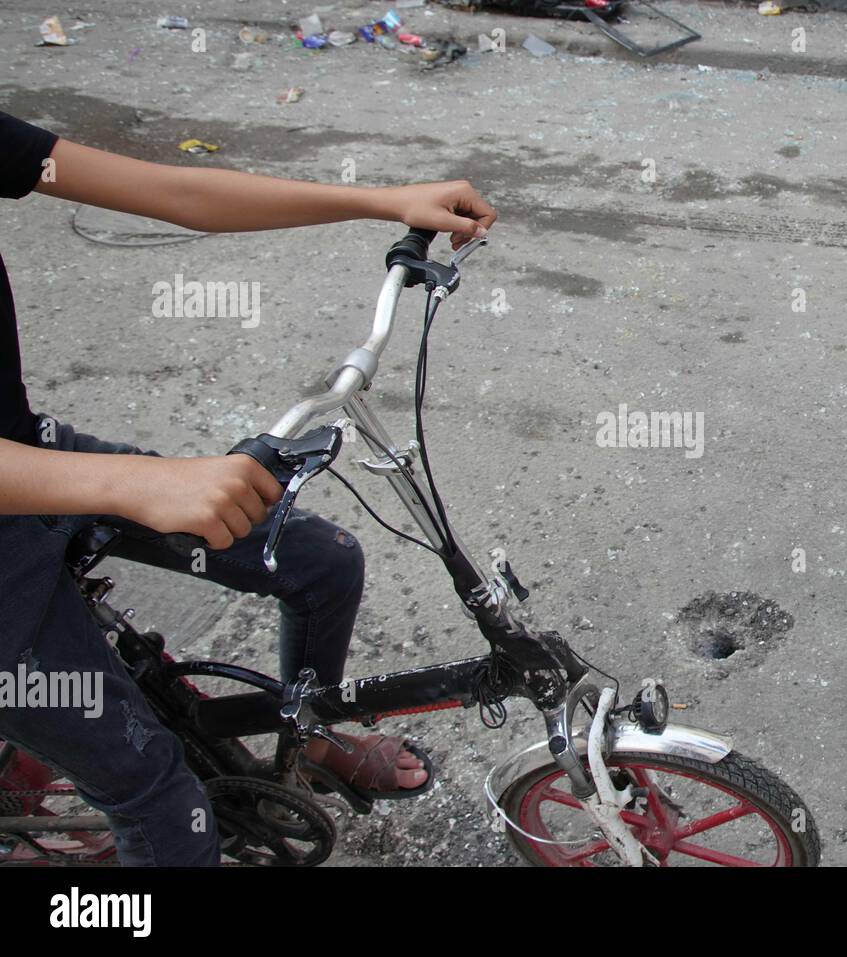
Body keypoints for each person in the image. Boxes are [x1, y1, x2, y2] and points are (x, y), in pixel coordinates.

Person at [0, 111, 496, 865]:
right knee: (167, 809)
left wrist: (386, 200)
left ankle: (310, 736)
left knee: (322, 561)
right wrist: (133, 483)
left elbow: (175, 192)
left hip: (27, 455)